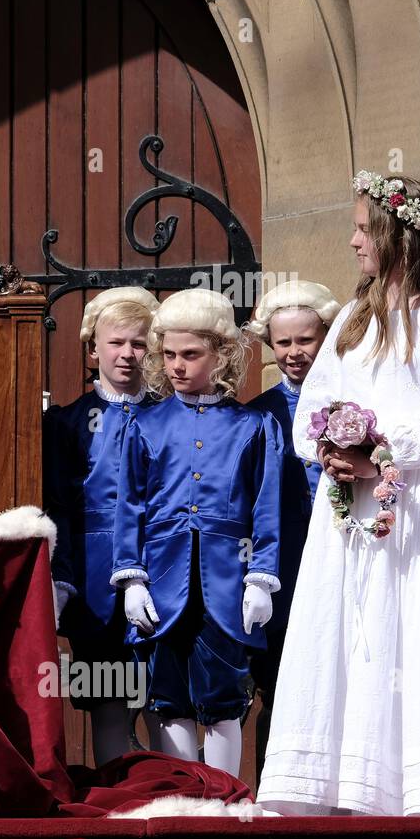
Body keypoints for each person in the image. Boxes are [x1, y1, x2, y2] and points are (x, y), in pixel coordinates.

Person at [259, 173, 420, 815]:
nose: (352, 241)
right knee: (348, 634)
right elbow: (311, 407)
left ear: (397, 235)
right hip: (346, 519)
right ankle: (341, 786)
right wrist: (331, 447)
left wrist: (382, 449)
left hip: (418, 510)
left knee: (412, 631)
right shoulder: (351, 322)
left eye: (364, 228)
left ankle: (413, 788)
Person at [111, 288, 283, 777]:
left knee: (225, 692)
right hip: (162, 580)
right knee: (167, 694)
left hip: (229, 582)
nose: (176, 366)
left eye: (191, 354)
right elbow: (129, 504)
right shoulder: (142, 424)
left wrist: (261, 576)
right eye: (168, 354)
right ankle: (181, 798)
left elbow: (265, 507)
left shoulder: (254, 426)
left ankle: (224, 798)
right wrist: (132, 577)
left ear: (222, 354)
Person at [43, 286, 159, 765]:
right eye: (116, 343)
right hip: (93, 580)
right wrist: (61, 581)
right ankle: (116, 805)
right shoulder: (65, 423)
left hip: (161, 570)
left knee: (164, 700)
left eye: (139, 343)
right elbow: (58, 506)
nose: (127, 354)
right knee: (108, 700)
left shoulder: (169, 416)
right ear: (93, 348)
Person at [243, 280, 341, 780]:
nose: (294, 353)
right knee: (278, 684)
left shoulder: (352, 403)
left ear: (326, 335)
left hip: (342, 559)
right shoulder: (257, 415)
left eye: (305, 340)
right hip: (282, 569)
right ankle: (276, 789)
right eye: (283, 343)